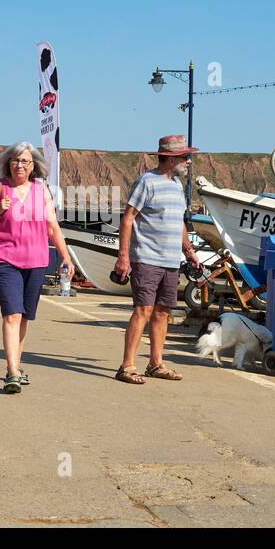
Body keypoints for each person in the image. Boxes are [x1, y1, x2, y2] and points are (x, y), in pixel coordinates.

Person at [0, 141, 73, 393]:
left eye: (25, 160)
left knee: (25, 315)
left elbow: (52, 227)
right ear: (8, 163)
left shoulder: (41, 190)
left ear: (33, 165)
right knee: (12, 314)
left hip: (36, 261)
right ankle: (12, 372)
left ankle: (16, 363)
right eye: (15, 160)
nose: (20, 165)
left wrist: (66, 256)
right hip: (4, 259)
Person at [112, 134, 202, 384]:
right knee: (143, 310)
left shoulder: (177, 186)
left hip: (171, 261)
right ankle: (127, 366)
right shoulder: (146, 182)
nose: (189, 161)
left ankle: (155, 363)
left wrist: (189, 251)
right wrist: (123, 257)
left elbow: (179, 222)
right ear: (171, 158)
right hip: (147, 258)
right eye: (185, 157)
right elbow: (128, 217)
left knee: (163, 312)